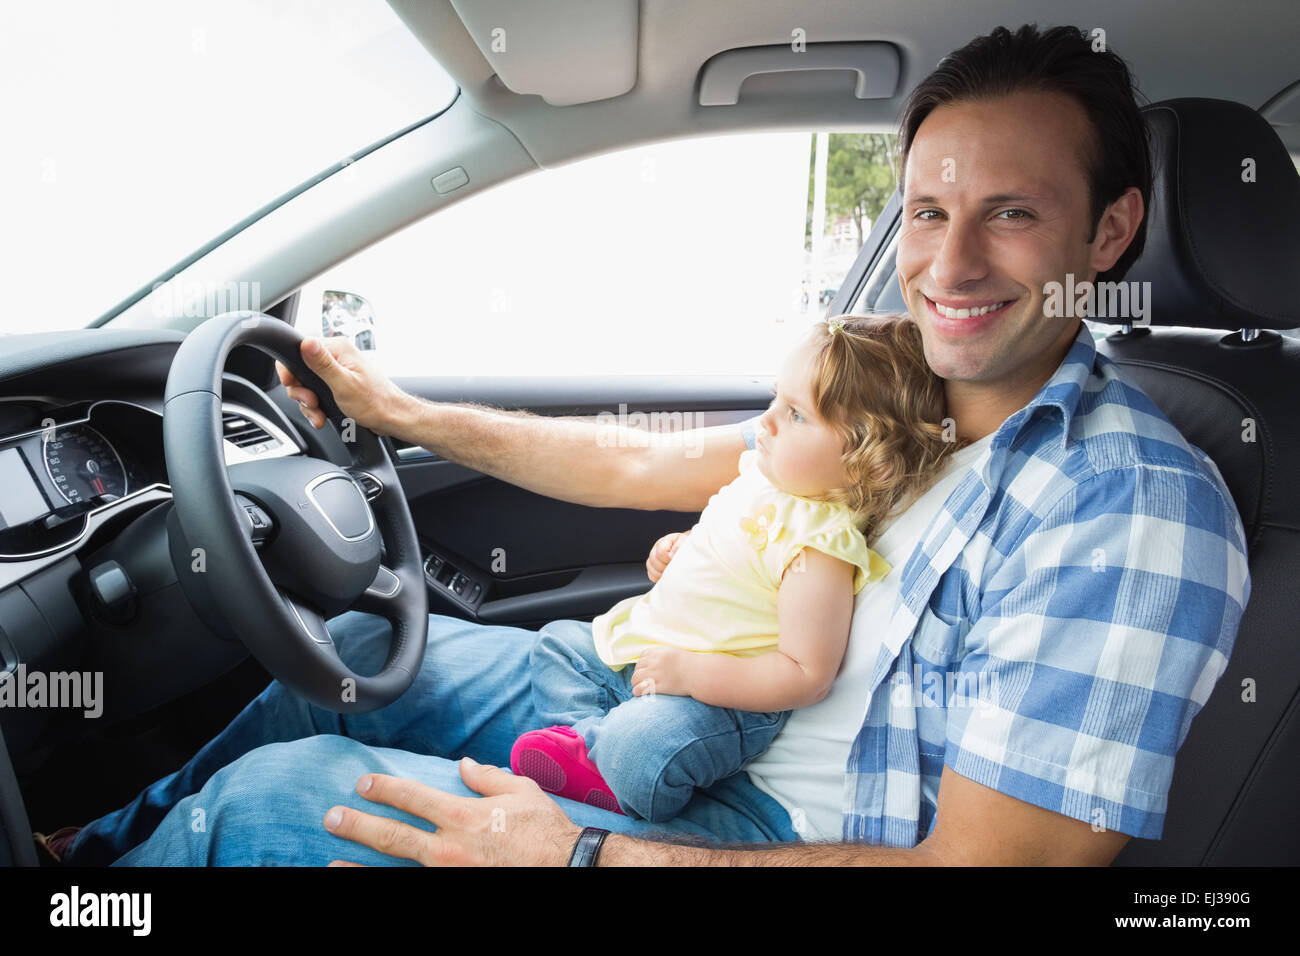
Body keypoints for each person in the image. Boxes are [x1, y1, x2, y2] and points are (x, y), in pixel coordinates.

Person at [47, 23, 1249, 866]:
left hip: (754, 813)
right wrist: (404, 416)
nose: (949, 264)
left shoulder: (1130, 504)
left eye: (1013, 213)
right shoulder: (906, 393)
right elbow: (635, 465)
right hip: (628, 682)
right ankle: (88, 858)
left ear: (1110, 231)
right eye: (928, 212)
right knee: (354, 651)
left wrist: (576, 851)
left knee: (272, 805)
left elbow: (994, 868)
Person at [511, 315, 957, 823]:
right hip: (649, 653)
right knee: (557, 644)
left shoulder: (819, 548)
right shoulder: (761, 478)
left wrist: (690, 674)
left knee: (644, 746)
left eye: (796, 415)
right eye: (775, 400)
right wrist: (678, 546)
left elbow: (805, 675)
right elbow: (725, 547)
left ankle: (611, 765)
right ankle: (588, 747)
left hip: (722, 699)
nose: (765, 422)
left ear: (866, 458)